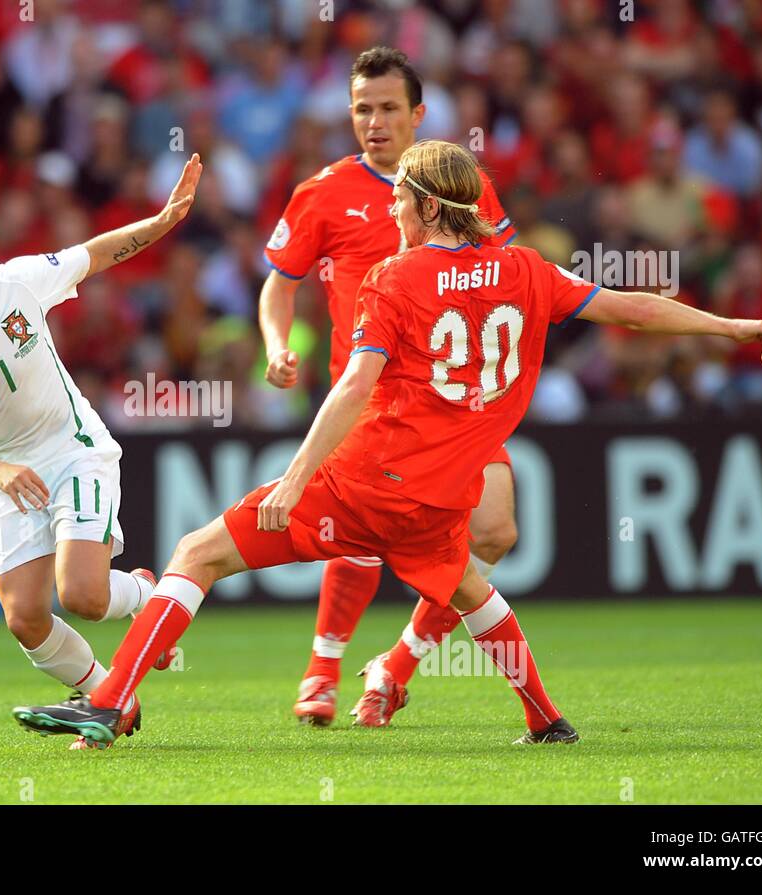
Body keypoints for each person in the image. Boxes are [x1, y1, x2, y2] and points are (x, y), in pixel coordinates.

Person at [12, 139, 762, 748]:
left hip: (365, 478)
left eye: (398, 200)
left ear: (424, 205)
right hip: (444, 492)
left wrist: (296, 474)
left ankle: (110, 701)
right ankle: (546, 718)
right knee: (468, 590)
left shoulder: (396, 276)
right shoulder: (526, 270)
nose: (390, 212)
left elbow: (353, 387)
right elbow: (630, 311)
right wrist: (726, 324)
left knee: (198, 552)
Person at [0, 155, 203, 750]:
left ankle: (141, 593)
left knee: (84, 595)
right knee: (25, 619)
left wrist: (163, 220)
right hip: (2, 468)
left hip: (71, 447)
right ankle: (112, 698)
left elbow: (97, 253)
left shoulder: (20, 283)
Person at [260, 46, 518, 726]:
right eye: (361, 109)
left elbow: (504, 270)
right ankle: (323, 667)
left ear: (418, 114)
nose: (374, 122)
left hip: (454, 398)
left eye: (387, 109)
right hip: (369, 395)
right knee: (358, 535)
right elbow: (278, 285)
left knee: (493, 531)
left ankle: (397, 662)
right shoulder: (323, 191)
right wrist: (277, 343)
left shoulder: (460, 182)